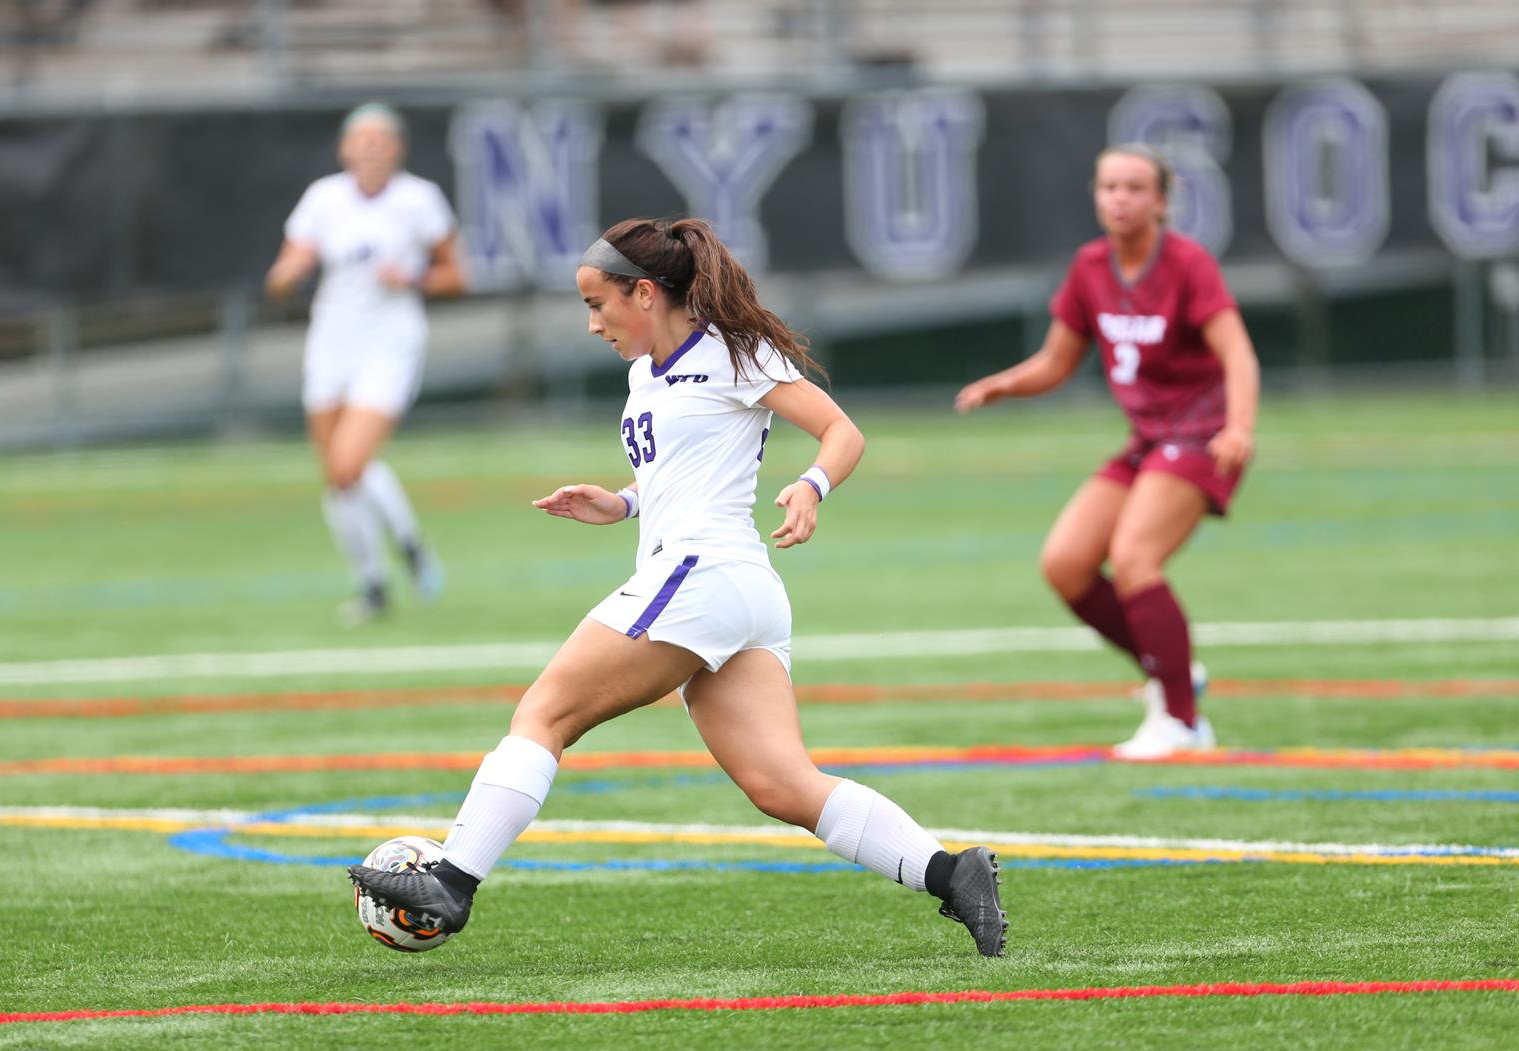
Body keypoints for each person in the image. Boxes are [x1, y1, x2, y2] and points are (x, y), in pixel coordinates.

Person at [351, 217, 1007, 957]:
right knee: (782, 784)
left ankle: (452, 882)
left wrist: (812, 485)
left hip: (702, 576)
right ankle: (955, 875)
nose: (593, 324)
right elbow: (681, 473)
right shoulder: (644, 373)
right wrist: (622, 502)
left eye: (600, 305)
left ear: (644, 292)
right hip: (734, 591)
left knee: (544, 714)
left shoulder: (733, 353)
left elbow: (842, 432)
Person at [955, 144, 1260, 759]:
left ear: (1161, 202)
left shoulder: (1188, 264)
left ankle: (1182, 720)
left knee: (1134, 557)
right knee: (1065, 564)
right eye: (1109, 187)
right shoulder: (1091, 265)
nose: (1120, 198)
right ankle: (1171, 668)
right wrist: (1003, 384)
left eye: (1135, 187)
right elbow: (1057, 362)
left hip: (1202, 436)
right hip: (1148, 441)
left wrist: (1241, 428)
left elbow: (1238, 354)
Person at [265, 103, 466, 625]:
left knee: (349, 463)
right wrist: (294, 268)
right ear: (345, 149)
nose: (371, 150)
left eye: (381, 141)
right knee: (337, 479)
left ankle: (409, 543)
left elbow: (455, 275)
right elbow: (281, 276)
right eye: (362, 141)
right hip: (332, 340)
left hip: (389, 342)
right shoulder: (324, 198)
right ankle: (372, 583)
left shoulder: (418, 199)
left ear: (397, 149)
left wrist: (415, 279)